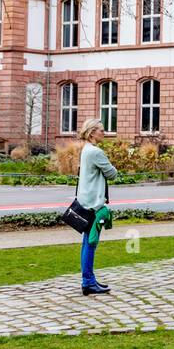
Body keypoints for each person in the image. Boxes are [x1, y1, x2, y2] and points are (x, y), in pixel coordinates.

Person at [76, 118, 117, 296]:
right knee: (91, 243)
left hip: (85, 201)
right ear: (92, 132)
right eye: (101, 129)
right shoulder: (96, 152)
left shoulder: (86, 150)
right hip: (94, 204)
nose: (104, 132)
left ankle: (88, 279)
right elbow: (112, 174)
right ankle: (88, 282)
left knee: (87, 242)